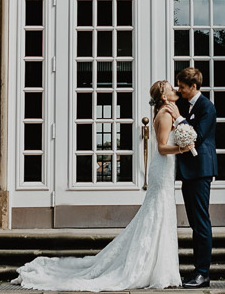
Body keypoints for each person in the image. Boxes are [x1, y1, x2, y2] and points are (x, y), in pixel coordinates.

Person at [13, 79, 192, 291]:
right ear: (164, 96)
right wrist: (182, 149)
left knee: (162, 213)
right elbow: (163, 147)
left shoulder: (169, 112)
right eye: (172, 88)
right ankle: (153, 269)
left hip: (166, 169)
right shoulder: (163, 115)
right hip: (162, 168)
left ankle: (161, 268)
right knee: (158, 212)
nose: (175, 90)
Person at [174, 66, 216, 289]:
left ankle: (203, 273)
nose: (179, 91)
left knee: (201, 223)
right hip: (188, 172)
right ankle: (196, 271)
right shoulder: (184, 103)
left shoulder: (206, 107)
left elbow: (196, 137)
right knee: (194, 222)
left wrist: (180, 119)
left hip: (201, 171)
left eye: (182, 87)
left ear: (194, 86)